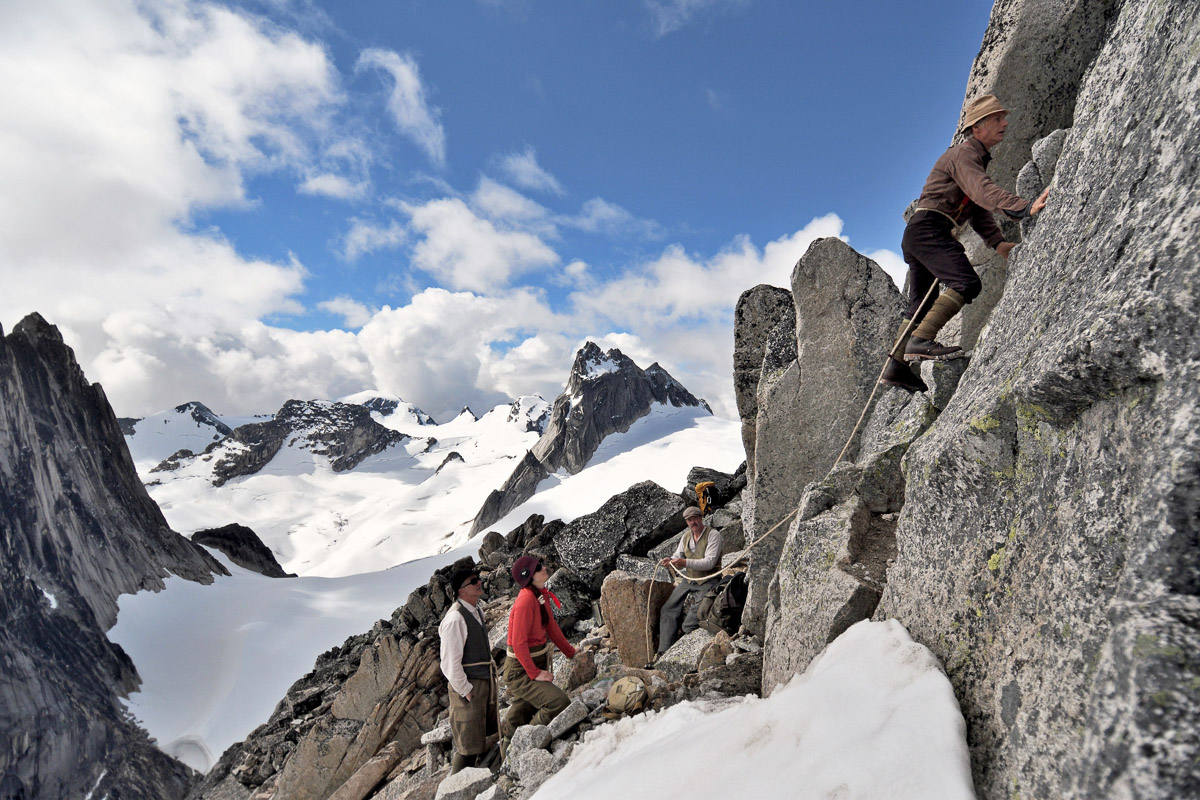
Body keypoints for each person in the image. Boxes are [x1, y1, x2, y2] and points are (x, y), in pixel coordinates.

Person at [882, 94, 1051, 392]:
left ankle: (895, 367)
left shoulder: (970, 156)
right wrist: (1024, 207)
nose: (1004, 123)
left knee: (920, 304)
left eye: (1003, 118)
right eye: (997, 119)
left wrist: (998, 244)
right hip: (930, 229)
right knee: (966, 282)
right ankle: (920, 340)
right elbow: (982, 191)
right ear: (977, 127)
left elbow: (976, 207)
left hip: (920, 232)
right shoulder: (964, 154)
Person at [500, 555, 576, 751]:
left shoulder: (539, 595)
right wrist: (534, 673)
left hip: (531, 664)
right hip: (520, 671)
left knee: (521, 712)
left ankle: (509, 747)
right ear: (528, 576)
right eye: (537, 567)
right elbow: (519, 643)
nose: (543, 568)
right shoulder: (526, 600)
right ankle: (523, 748)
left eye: (541, 564)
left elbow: (551, 628)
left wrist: (571, 653)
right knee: (558, 702)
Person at [437, 566, 498, 774]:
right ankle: (457, 784)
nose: (479, 582)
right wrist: (466, 690)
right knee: (467, 744)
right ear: (460, 590)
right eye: (473, 581)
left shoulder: (476, 609)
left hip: (482, 682)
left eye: (477, 578)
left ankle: (481, 777)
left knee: (482, 734)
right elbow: (449, 663)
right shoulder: (455, 619)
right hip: (469, 687)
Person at [653, 506, 723, 661]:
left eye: (695, 518)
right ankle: (663, 652)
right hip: (689, 579)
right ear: (686, 522)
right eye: (689, 520)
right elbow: (678, 555)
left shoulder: (713, 535)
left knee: (690, 623)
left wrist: (684, 562)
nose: (693, 522)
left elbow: (709, 563)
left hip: (708, 580)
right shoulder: (686, 537)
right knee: (667, 609)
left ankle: (684, 648)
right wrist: (671, 561)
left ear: (700, 518)